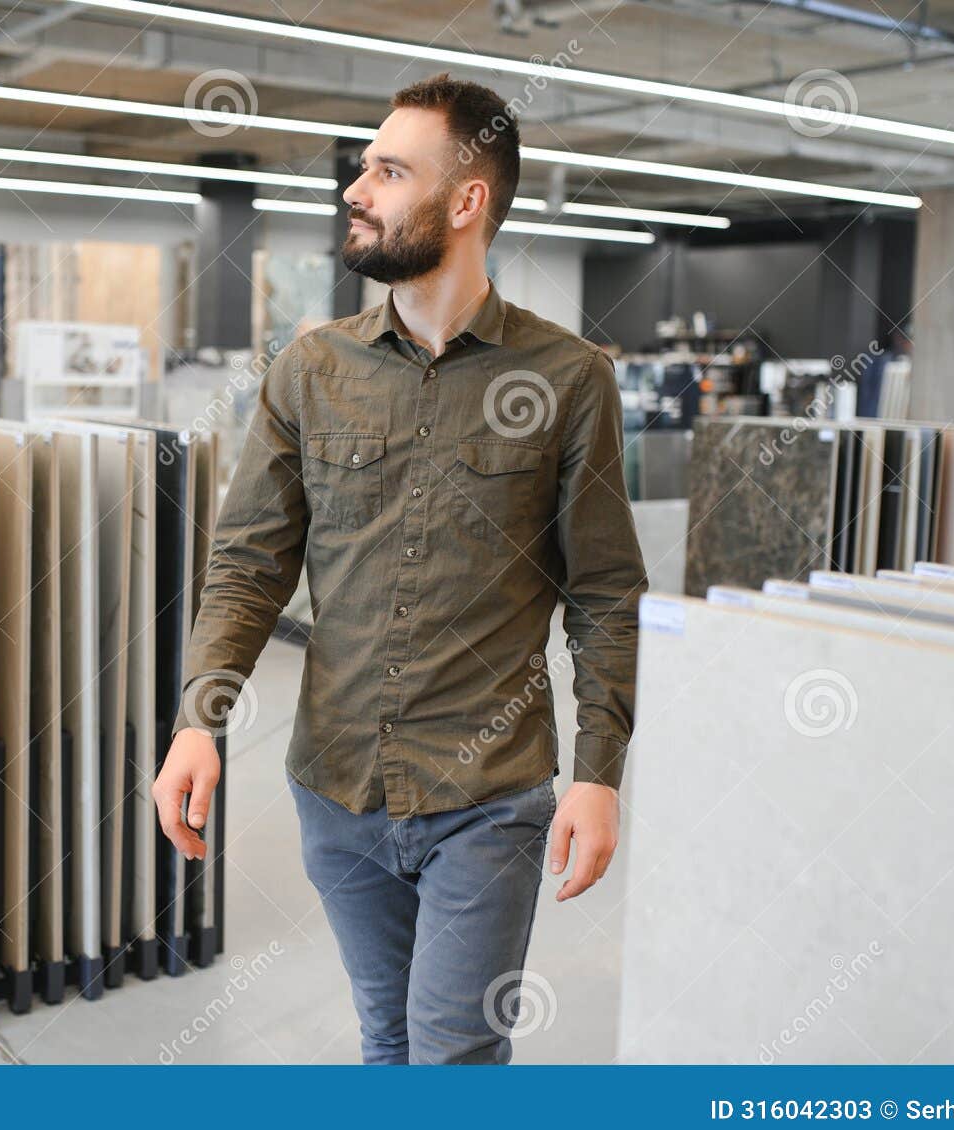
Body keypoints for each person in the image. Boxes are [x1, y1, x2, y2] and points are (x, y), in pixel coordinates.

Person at [153, 73, 647, 1064]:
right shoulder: (309, 371)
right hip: (334, 788)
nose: (356, 190)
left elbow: (601, 593)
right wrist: (197, 721)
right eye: (363, 168)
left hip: (488, 799)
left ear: (465, 203)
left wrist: (598, 774)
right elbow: (247, 566)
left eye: (386, 170)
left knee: (452, 1055)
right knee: (385, 1037)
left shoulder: (565, 379)